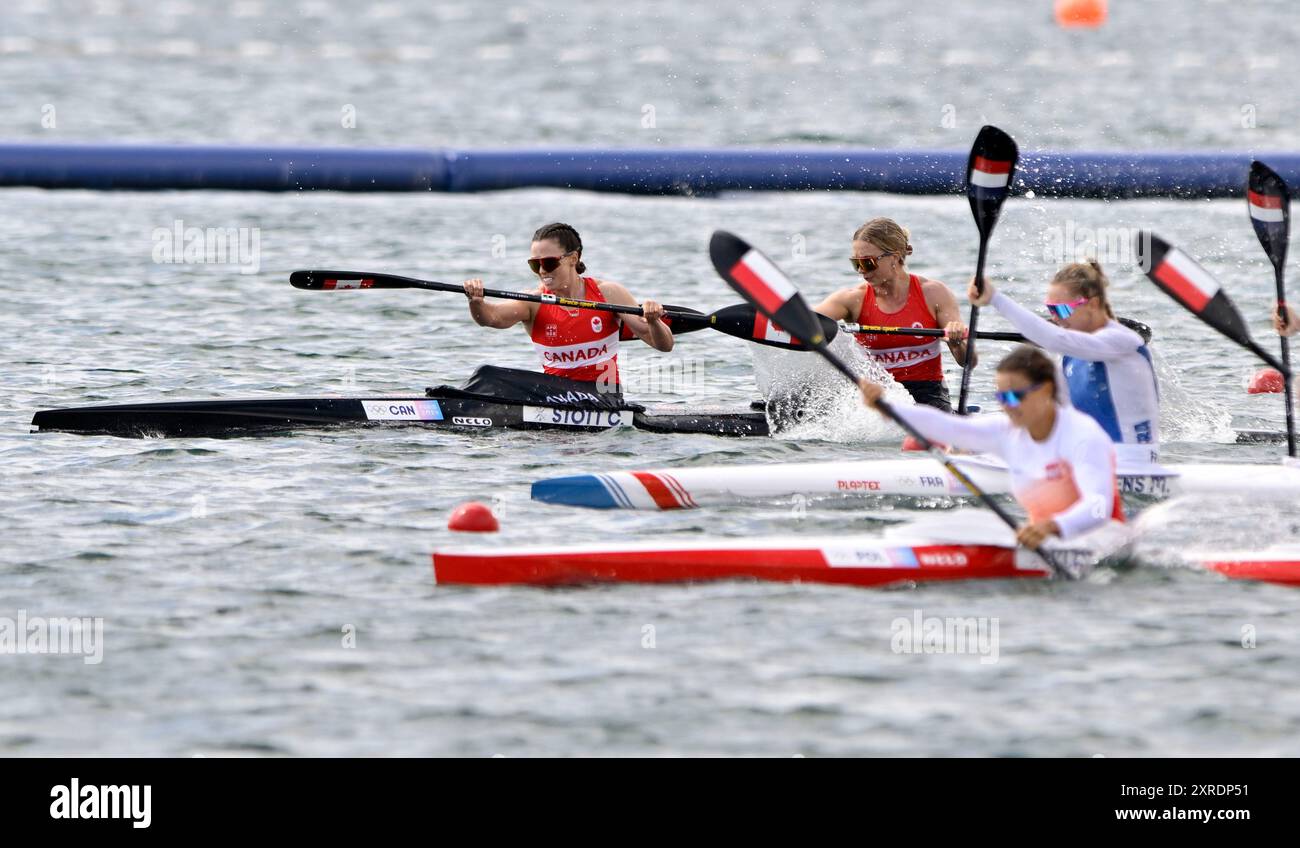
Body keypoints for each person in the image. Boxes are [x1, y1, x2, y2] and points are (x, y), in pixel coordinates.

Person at [860, 345, 1123, 549]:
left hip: (1098, 544)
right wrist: (888, 407)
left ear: (1045, 390)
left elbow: (1098, 506)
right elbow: (948, 426)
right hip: (1040, 539)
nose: (1006, 405)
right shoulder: (1007, 430)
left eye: (1014, 396)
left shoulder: (1083, 436)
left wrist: (1053, 527)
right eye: (1000, 397)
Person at [967, 261, 1159, 464]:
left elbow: (1054, 339)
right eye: (1051, 310)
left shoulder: (1123, 341)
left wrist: (995, 299)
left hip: (1133, 463)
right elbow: (1044, 412)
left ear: (1092, 305)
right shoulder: (1070, 358)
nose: (1056, 319)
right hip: (1087, 460)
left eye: (1062, 310)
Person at [462, 223, 673, 395]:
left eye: (549, 262)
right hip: (555, 395)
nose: (542, 270)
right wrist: (476, 301)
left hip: (604, 395)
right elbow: (491, 318)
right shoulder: (534, 301)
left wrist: (654, 321)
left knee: (488, 376)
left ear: (573, 258)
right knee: (487, 374)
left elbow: (664, 345)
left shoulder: (609, 294)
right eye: (535, 265)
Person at [814, 217, 972, 411]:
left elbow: (968, 362)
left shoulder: (934, 293)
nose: (862, 271)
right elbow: (805, 322)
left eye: (868, 263)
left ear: (895, 257)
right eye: (857, 264)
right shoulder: (852, 299)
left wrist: (957, 343)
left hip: (927, 394)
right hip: (875, 394)